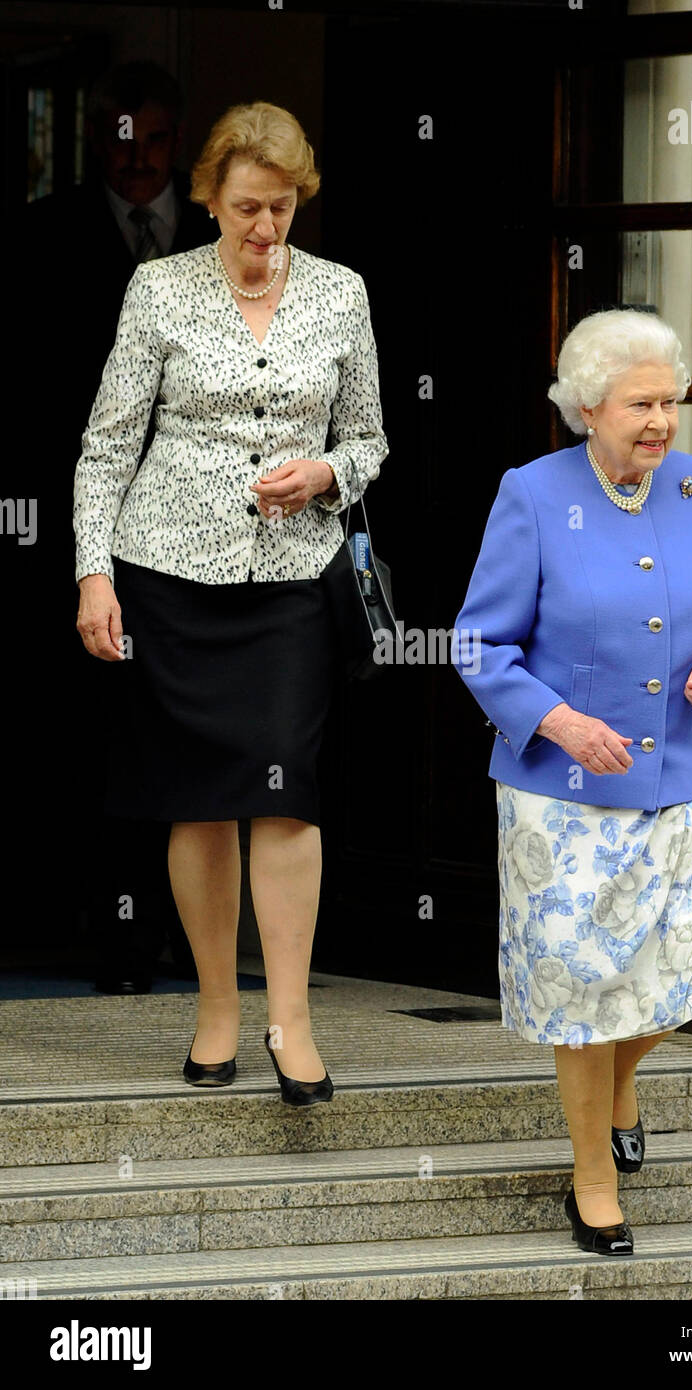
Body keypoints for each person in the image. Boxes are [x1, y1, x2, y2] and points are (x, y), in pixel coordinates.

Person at [73, 100, 388, 1104]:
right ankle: (216, 1006)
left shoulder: (340, 294)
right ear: (208, 198)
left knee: (285, 792)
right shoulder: (157, 287)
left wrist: (324, 474)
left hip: (293, 579)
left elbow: (372, 438)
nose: (263, 230)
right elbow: (108, 444)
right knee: (201, 800)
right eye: (247, 208)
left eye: (282, 211)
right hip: (169, 573)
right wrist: (93, 571)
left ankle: (289, 1019)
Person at [452, 308, 692, 1254]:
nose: (664, 421)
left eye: (673, 400)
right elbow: (478, 643)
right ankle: (591, 1181)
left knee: (681, 971)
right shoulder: (533, 496)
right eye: (643, 404)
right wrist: (559, 721)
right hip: (563, 794)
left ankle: (619, 1081)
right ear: (589, 408)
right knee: (584, 991)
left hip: (680, 781)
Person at [17, 61, 219, 994]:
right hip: (81, 528)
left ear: (183, 144)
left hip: (208, 533)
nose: (138, 159)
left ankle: (185, 935)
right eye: (120, 138)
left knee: (189, 732)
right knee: (90, 734)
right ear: (97, 141)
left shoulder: (229, 236)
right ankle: (109, 931)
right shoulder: (43, 234)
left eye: (157, 138)